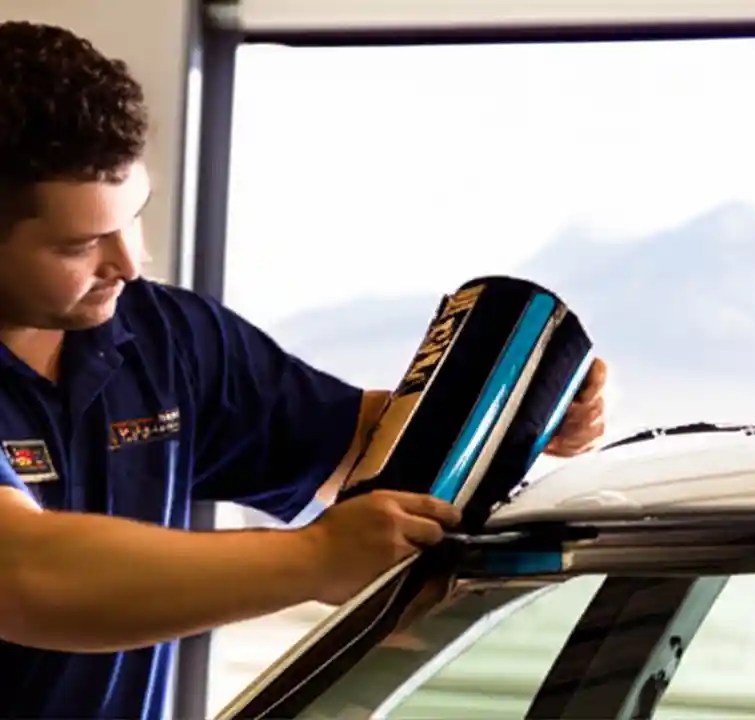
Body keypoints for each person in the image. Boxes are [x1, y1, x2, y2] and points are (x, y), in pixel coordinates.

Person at [0, 20, 609, 720]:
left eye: (131, 218)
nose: (128, 264)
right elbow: (26, 575)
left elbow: (370, 454)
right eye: (79, 245)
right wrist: (315, 559)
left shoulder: (162, 336)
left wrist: (527, 414)